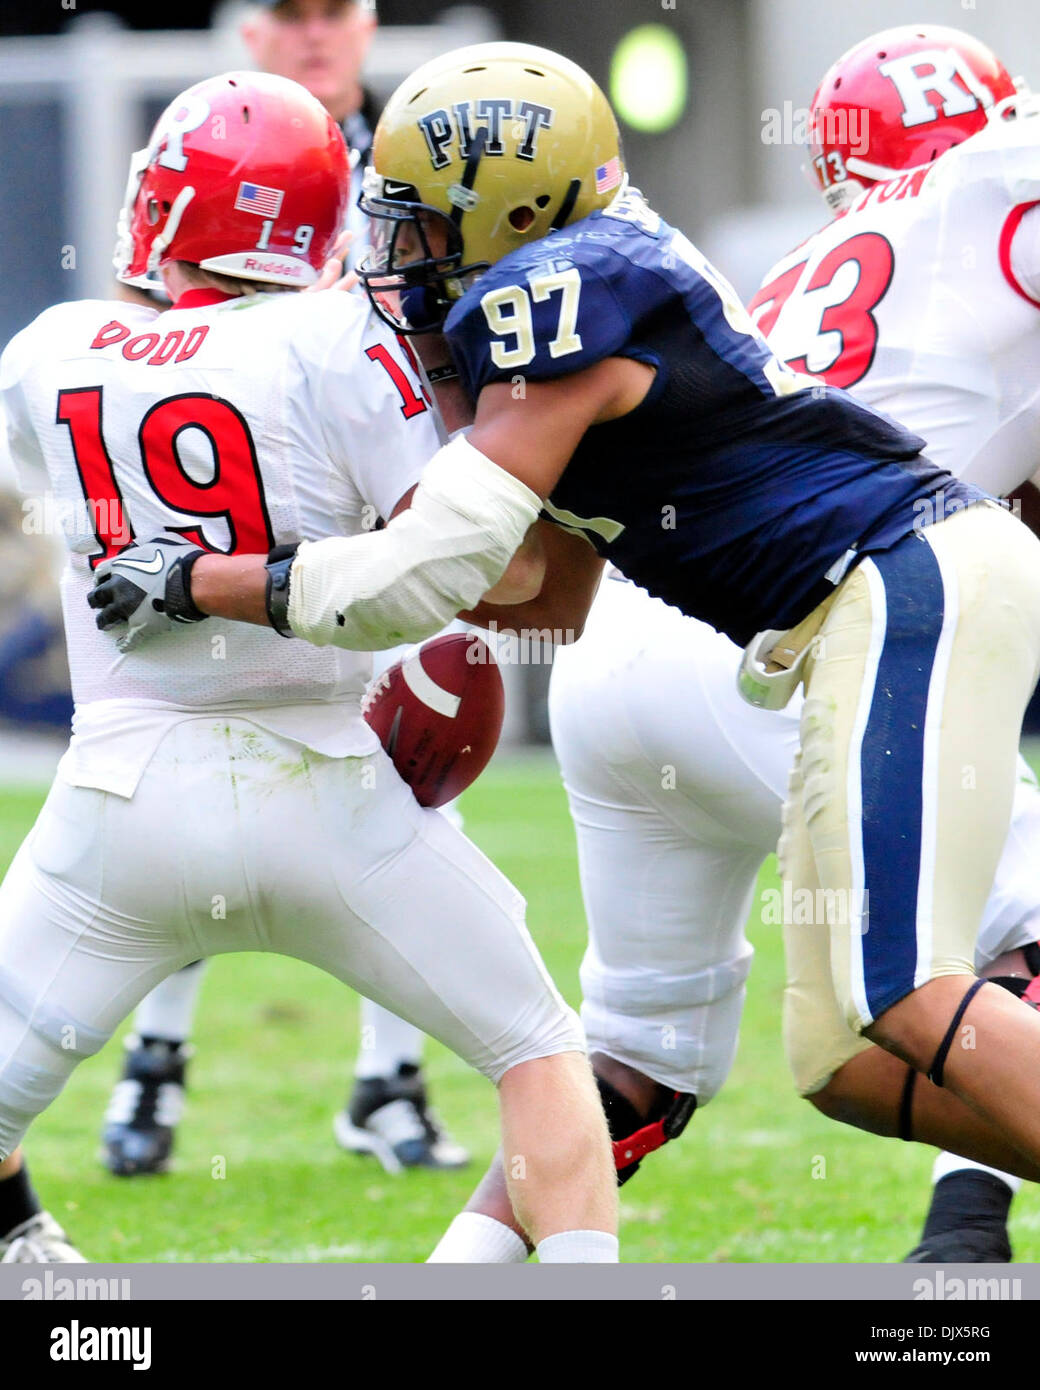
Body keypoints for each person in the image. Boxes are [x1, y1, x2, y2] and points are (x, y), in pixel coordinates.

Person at [93, 40, 1040, 1261]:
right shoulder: (590, 283)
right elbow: (540, 579)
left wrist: (199, 578)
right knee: (838, 1058)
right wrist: (365, 548)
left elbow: (428, 574)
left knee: (903, 985)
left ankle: (961, 1235)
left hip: (905, 577)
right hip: (808, 626)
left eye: (424, 221)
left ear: (516, 206)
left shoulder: (567, 291)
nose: (399, 248)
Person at [0, 69, 619, 1265]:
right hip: (333, 786)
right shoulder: (343, 341)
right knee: (539, 1052)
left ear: (169, 205)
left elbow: (69, 475)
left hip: (119, 800)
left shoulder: (52, 349)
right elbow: (482, 567)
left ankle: (23, 1244)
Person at [104, 0, 470, 1179]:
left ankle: (388, 1079)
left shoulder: (417, 156)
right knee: (180, 774)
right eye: (290, 11)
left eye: (334, 10)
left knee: (417, 770)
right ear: (245, 29)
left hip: (375, 497)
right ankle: (152, 1064)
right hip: (232, 506)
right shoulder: (209, 141)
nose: (315, 33)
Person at [747, 23, 1040, 1262]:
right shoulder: (989, 198)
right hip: (903, 613)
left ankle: (961, 1226)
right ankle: (963, 1223)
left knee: (835, 1039)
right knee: (970, 952)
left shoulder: (799, 266)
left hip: (768, 637)